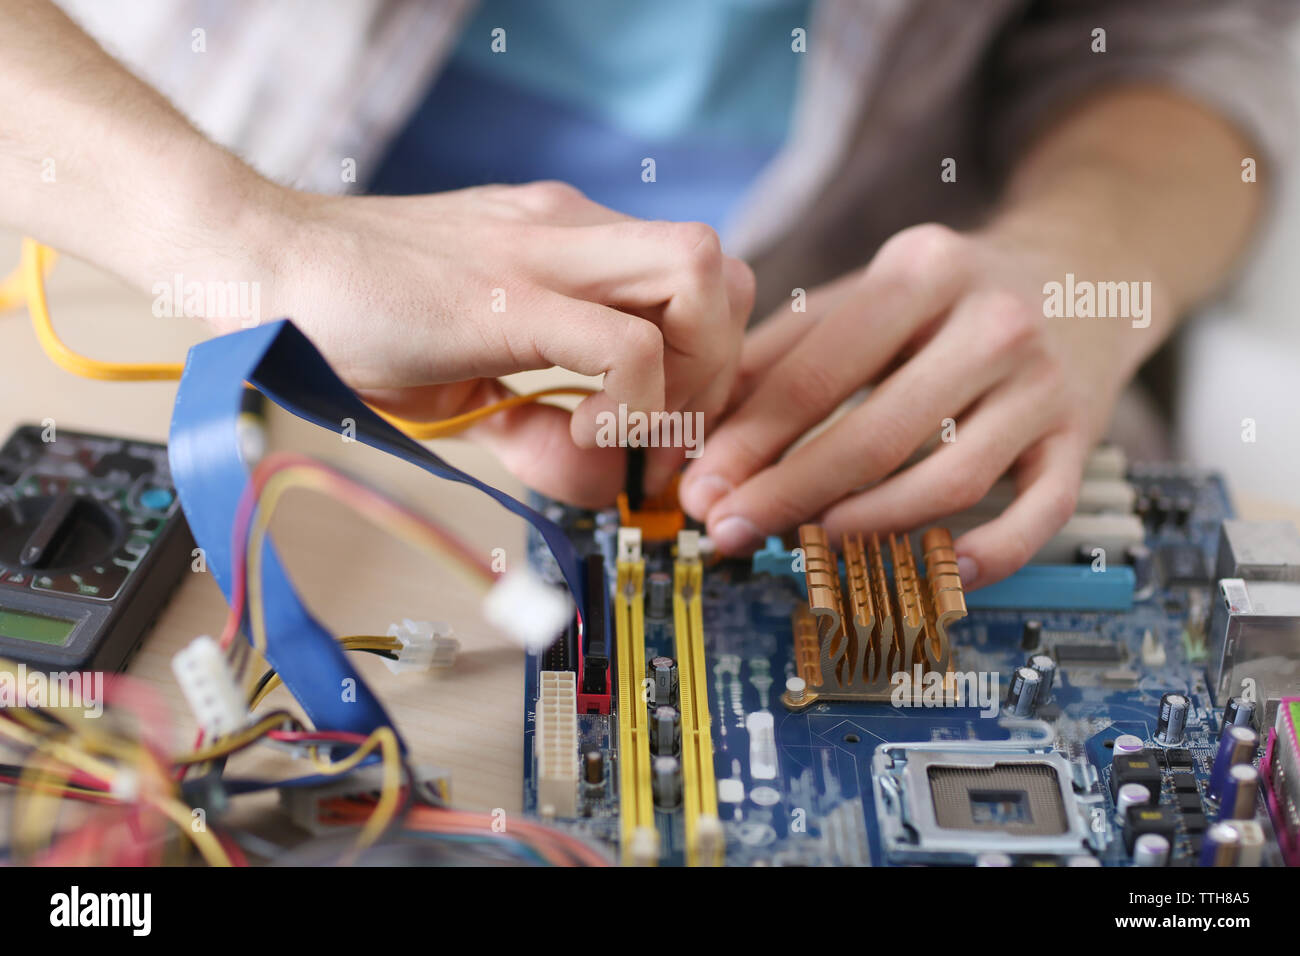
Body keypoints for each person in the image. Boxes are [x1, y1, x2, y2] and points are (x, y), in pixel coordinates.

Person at [2, 0, 1294, 589]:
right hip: (150, 271)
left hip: (848, 406)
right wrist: (244, 236)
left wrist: (1073, 267)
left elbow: (1201, 40)